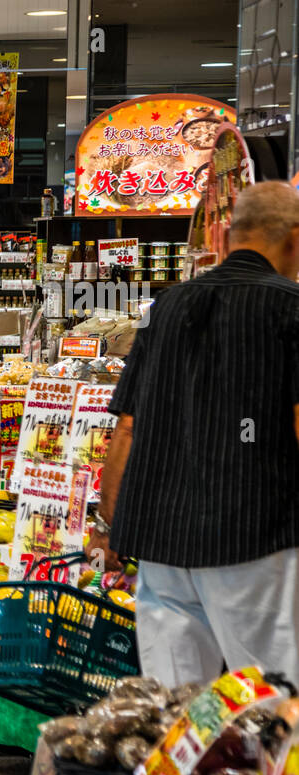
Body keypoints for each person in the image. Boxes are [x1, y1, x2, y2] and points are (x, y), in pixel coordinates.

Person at [98, 181, 299, 688]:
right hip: (253, 537)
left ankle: (180, 771)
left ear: (228, 235)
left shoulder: (165, 308)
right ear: (295, 240)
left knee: (174, 705)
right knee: (270, 700)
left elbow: (128, 424)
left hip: (161, 544)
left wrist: (114, 522)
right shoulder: (290, 307)